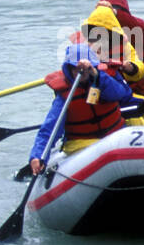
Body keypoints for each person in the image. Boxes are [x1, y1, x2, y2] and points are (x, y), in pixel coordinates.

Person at [29, 45, 132, 175]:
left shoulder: (103, 81)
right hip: (81, 143)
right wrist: (37, 156)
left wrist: (97, 76)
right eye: (76, 69)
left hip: (114, 136)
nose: (81, 72)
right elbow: (50, 129)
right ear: (69, 70)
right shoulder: (64, 97)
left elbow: (123, 95)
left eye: (84, 69)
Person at [80, 4, 144, 122]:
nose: (100, 35)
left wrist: (131, 68)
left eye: (104, 31)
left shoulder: (124, 46)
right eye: (94, 31)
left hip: (120, 94)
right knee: (139, 112)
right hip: (97, 99)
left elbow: (139, 68)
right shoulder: (82, 49)